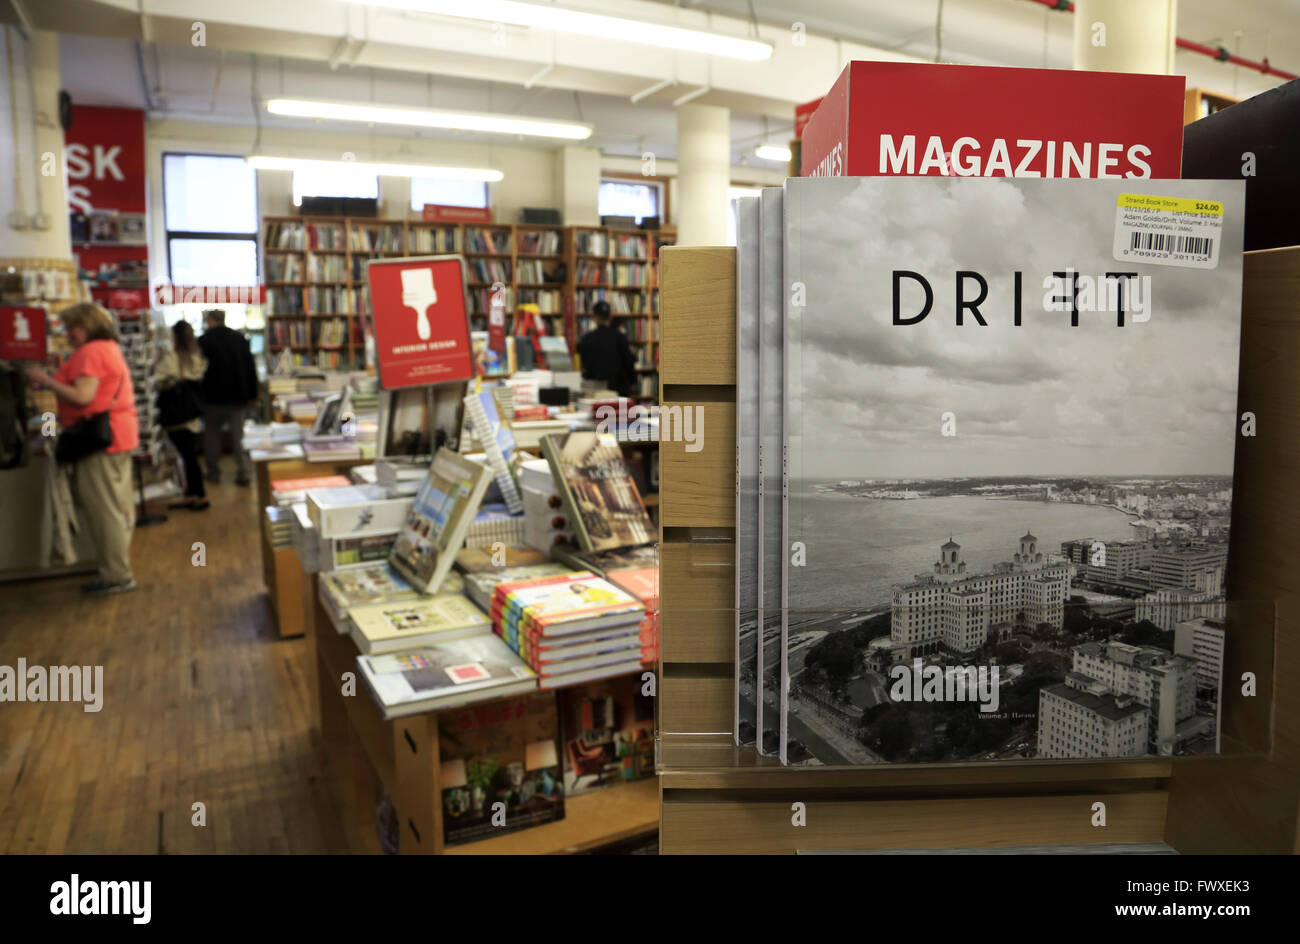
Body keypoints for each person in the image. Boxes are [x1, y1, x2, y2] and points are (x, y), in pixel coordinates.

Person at [24, 302, 139, 596]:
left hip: (98, 440)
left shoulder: (92, 351)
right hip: (117, 435)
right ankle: (118, 569)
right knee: (118, 507)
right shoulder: (108, 348)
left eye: (71, 327)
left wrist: (45, 380)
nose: (67, 333)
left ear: (85, 325)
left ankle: (117, 575)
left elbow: (83, 396)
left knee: (104, 511)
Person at [197, 308, 258, 486]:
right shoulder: (238, 339)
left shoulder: (203, 341)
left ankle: (213, 472)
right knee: (238, 436)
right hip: (237, 397)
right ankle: (244, 472)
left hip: (212, 398)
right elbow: (250, 367)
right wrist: (252, 394)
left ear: (209, 320)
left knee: (212, 436)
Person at [155, 320, 209, 510]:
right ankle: (192, 493)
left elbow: (159, 379)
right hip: (192, 413)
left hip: (177, 414)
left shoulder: (172, 358)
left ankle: (199, 495)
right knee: (190, 455)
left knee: (188, 457)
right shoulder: (197, 356)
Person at [576, 300, 637, 397]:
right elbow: (628, 362)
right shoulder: (619, 337)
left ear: (594, 318)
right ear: (610, 316)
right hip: (619, 389)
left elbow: (585, 365)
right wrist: (633, 381)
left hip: (595, 390)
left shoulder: (586, 339)